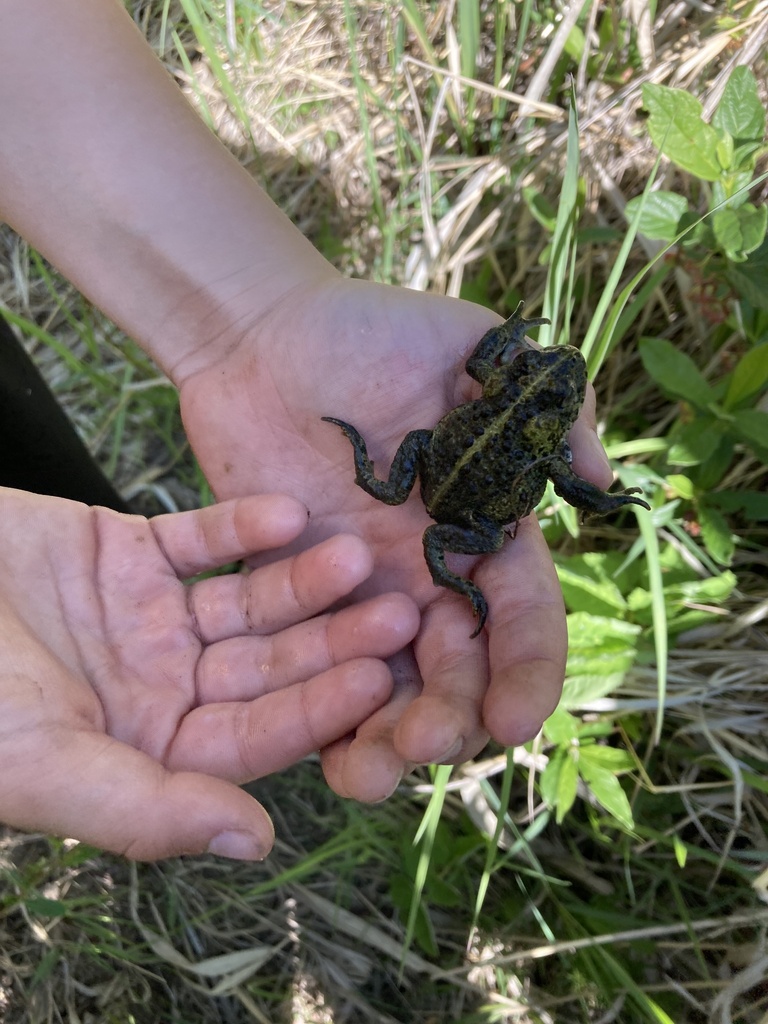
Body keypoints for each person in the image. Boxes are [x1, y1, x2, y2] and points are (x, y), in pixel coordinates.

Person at [0, 0, 615, 860]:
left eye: (538, 368)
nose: (531, 364)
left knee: (42, 477)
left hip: (447, 485)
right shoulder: (537, 432)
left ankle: (72, 541)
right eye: (534, 360)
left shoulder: (511, 397)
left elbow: (536, 425)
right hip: (460, 492)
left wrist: (263, 315)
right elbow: (576, 481)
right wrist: (587, 502)